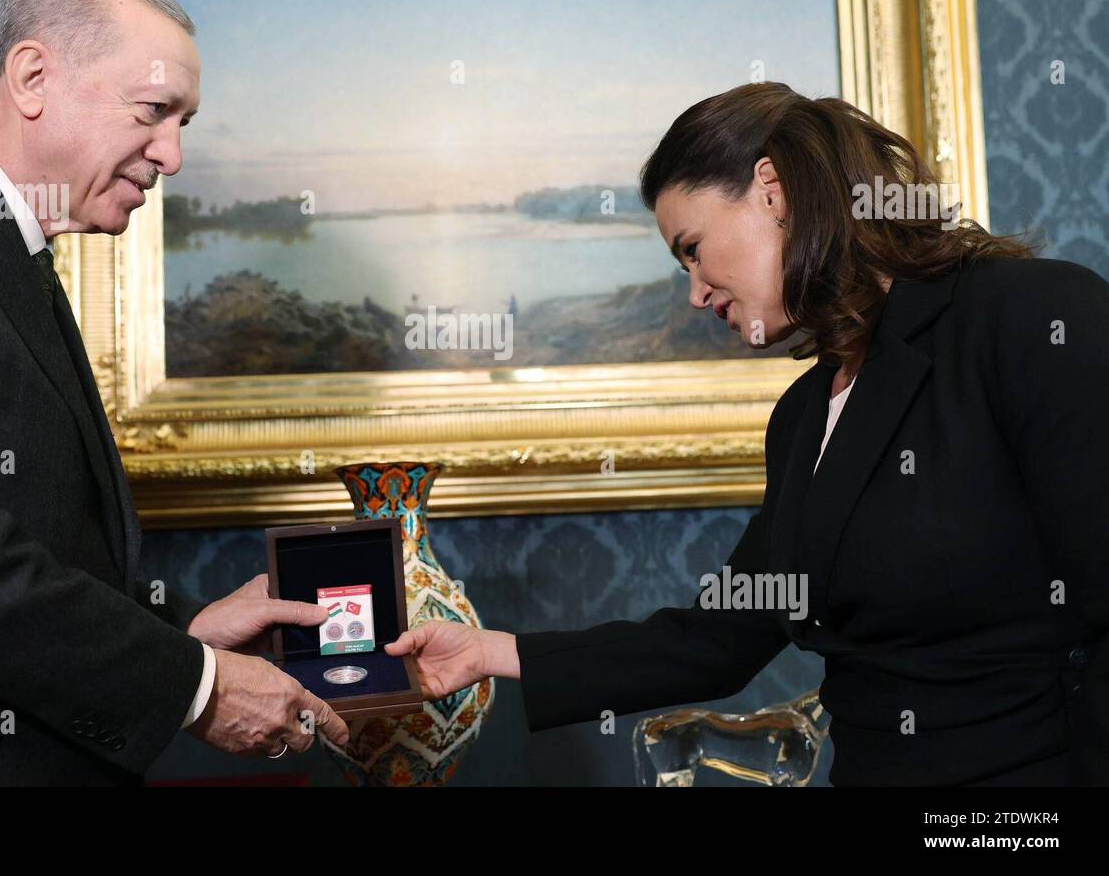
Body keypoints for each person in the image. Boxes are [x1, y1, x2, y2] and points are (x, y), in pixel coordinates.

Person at [388, 82, 1109, 786]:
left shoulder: (1032, 316)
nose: (695, 291)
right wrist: (489, 652)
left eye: (694, 248)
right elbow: (717, 639)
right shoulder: (802, 417)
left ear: (773, 189)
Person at [0, 0, 348, 785]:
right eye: (155, 111)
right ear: (33, 78)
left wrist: (183, 628)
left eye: (184, 123)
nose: (172, 155)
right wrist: (197, 685)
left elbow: (38, 539)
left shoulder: (16, 248)